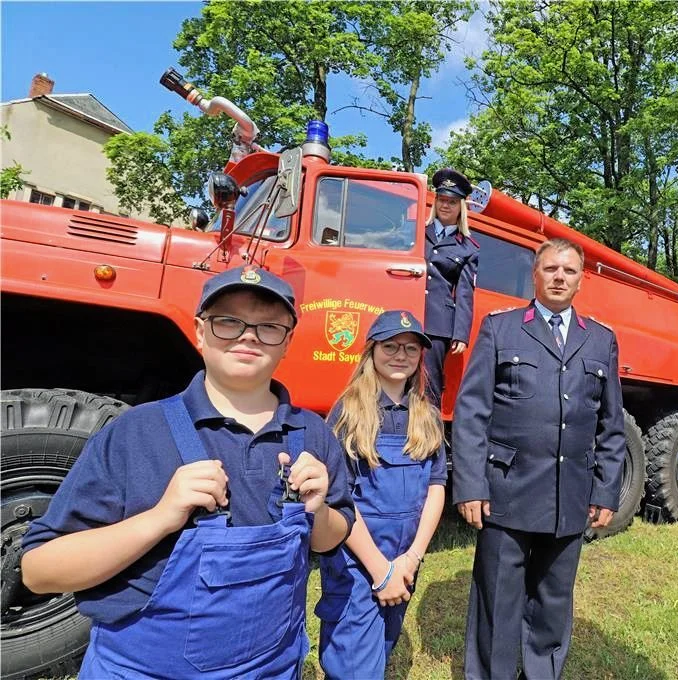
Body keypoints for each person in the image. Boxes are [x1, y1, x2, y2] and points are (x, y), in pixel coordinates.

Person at [20, 265, 355, 680]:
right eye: (228, 322)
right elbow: (39, 571)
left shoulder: (313, 434)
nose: (248, 335)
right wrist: (161, 517)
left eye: (269, 326)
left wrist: (318, 512)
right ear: (200, 331)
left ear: (287, 341)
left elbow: (331, 536)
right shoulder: (137, 432)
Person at [453, 237, 627, 680]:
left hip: (569, 493)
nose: (559, 278)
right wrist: (471, 484)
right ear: (535, 274)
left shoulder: (600, 340)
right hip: (506, 490)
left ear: (581, 279)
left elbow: (610, 425)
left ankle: (542, 672)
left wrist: (605, 490)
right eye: (550, 269)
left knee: (553, 599)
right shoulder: (501, 328)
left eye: (568, 271)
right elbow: (472, 413)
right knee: (499, 597)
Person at [316, 310, 447, 679]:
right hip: (358, 561)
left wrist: (412, 559)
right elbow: (337, 499)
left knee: (383, 644)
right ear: (371, 351)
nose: (400, 355)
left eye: (410, 348)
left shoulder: (427, 415)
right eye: (390, 346)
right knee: (353, 664)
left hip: (406, 560)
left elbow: (436, 488)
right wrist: (379, 569)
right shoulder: (348, 413)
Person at [424, 167, 480, 405]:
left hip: (438, 324)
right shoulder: (415, 232)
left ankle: (430, 438)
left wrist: (460, 334)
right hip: (407, 313)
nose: (445, 205)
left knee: (429, 383)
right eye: (442, 199)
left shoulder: (468, 248)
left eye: (452, 201)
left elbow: (465, 294)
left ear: (461, 207)